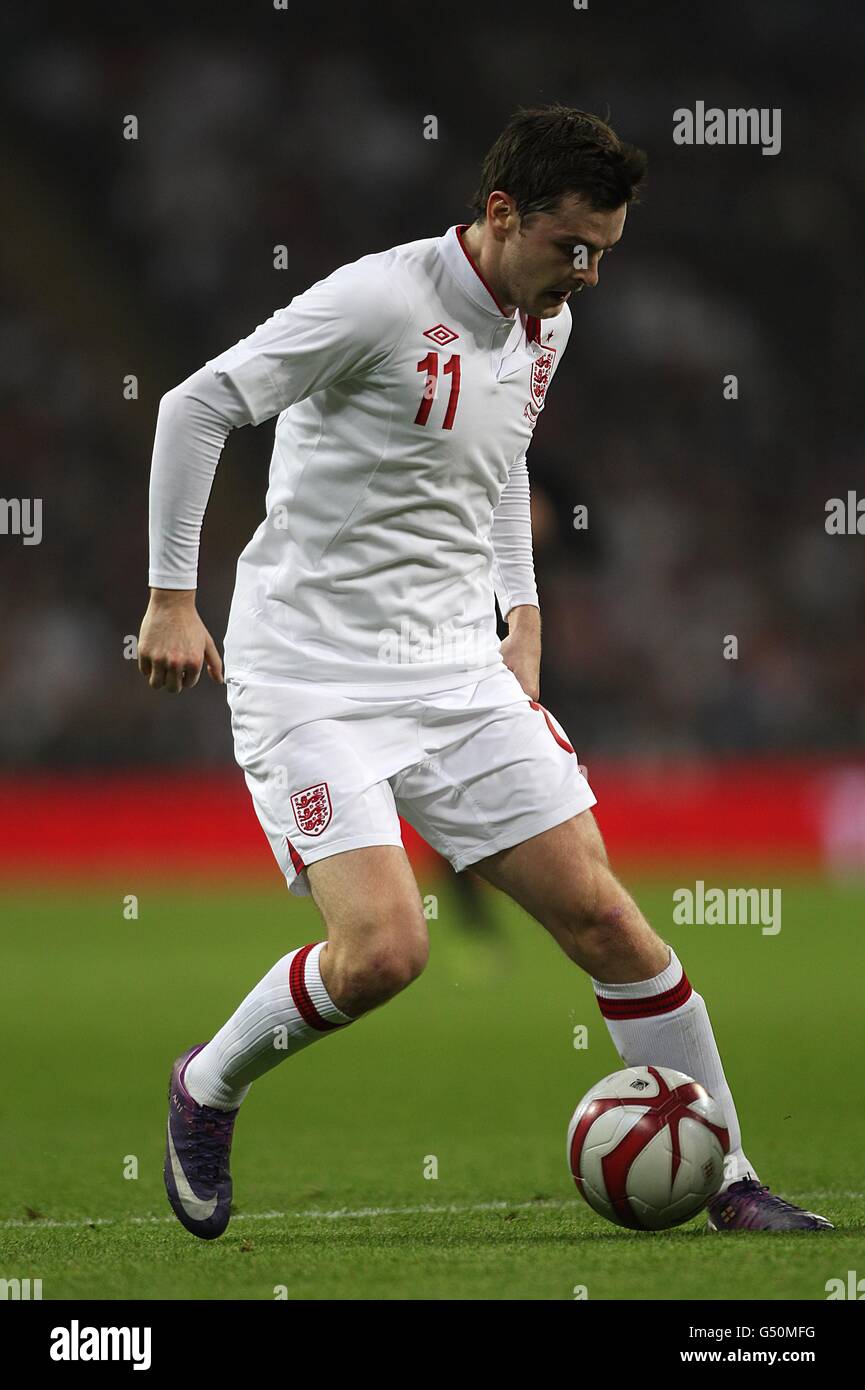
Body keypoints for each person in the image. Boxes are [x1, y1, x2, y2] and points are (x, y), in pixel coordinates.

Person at [140, 104, 831, 1239]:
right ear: (500, 213)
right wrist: (173, 596)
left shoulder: (540, 318)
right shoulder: (376, 302)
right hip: (311, 672)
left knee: (610, 925)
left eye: (604, 252)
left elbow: (501, 461)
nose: (589, 274)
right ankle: (206, 1083)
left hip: (453, 668)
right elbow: (195, 404)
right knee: (384, 951)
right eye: (572, 246)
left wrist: (522, 615)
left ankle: (730, 1178)